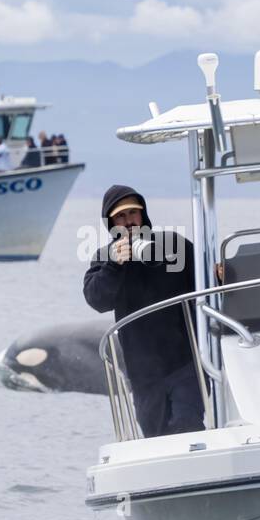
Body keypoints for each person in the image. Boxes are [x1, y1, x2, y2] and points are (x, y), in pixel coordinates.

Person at [83, 185, 204, 438]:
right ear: (111, 222)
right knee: (155, 438)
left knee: (188, 427)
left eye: (133, 213)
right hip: (144, 375)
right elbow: (97, 300)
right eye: (121, 216)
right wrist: (114, 265)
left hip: (184, 363)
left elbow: (204, 281)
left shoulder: (172, 244)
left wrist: (220, 274)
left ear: (143, 214)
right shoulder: (104, 257)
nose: (129, 222)